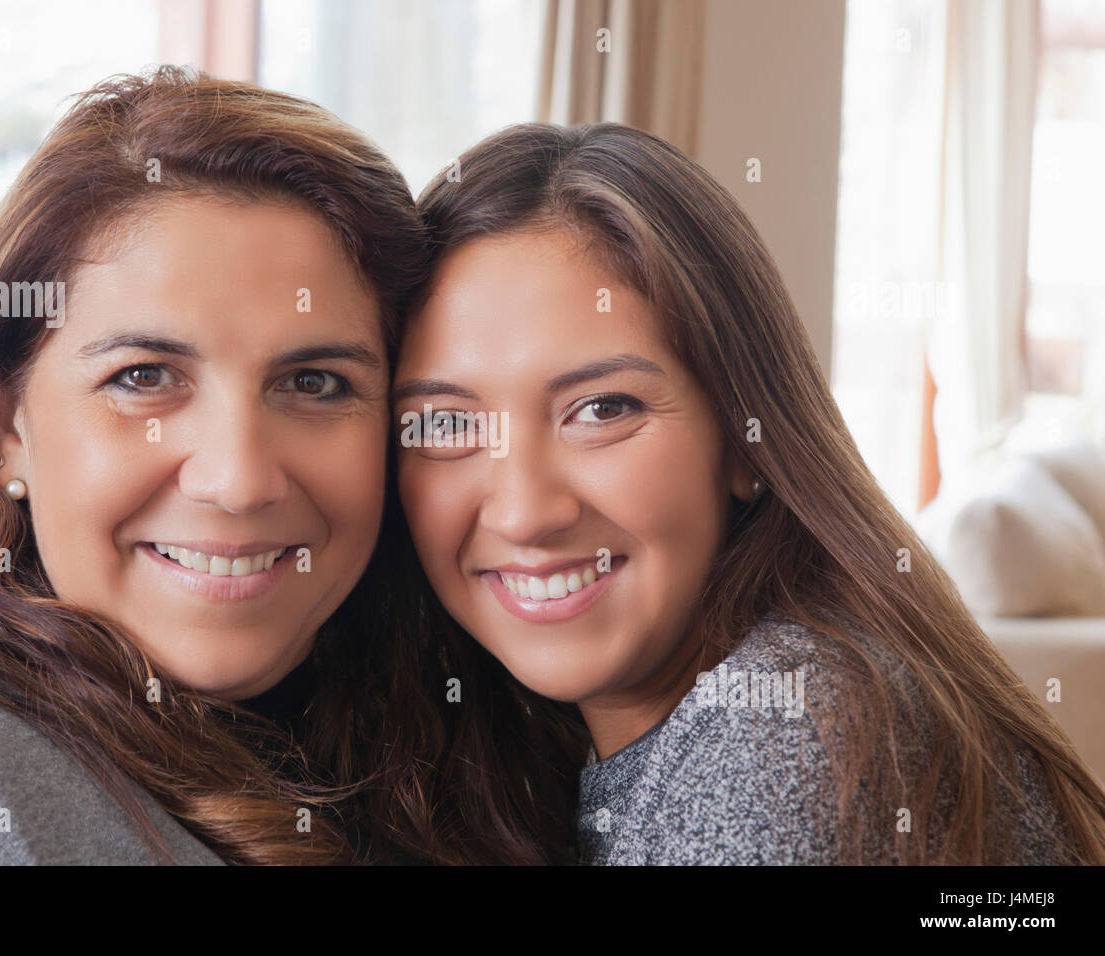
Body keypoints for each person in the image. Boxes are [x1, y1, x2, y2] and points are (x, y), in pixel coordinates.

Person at [0, 69, 582, 866]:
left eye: (314, 383)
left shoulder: (474, 768)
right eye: (143, 378)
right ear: (5, 424)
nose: (239, 480)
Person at [394, 121, 1105, 864]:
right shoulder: (591, 742)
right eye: (445, 424)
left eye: (603, 409)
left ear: (743, 437)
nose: (523, 512)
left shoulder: (776, 740)